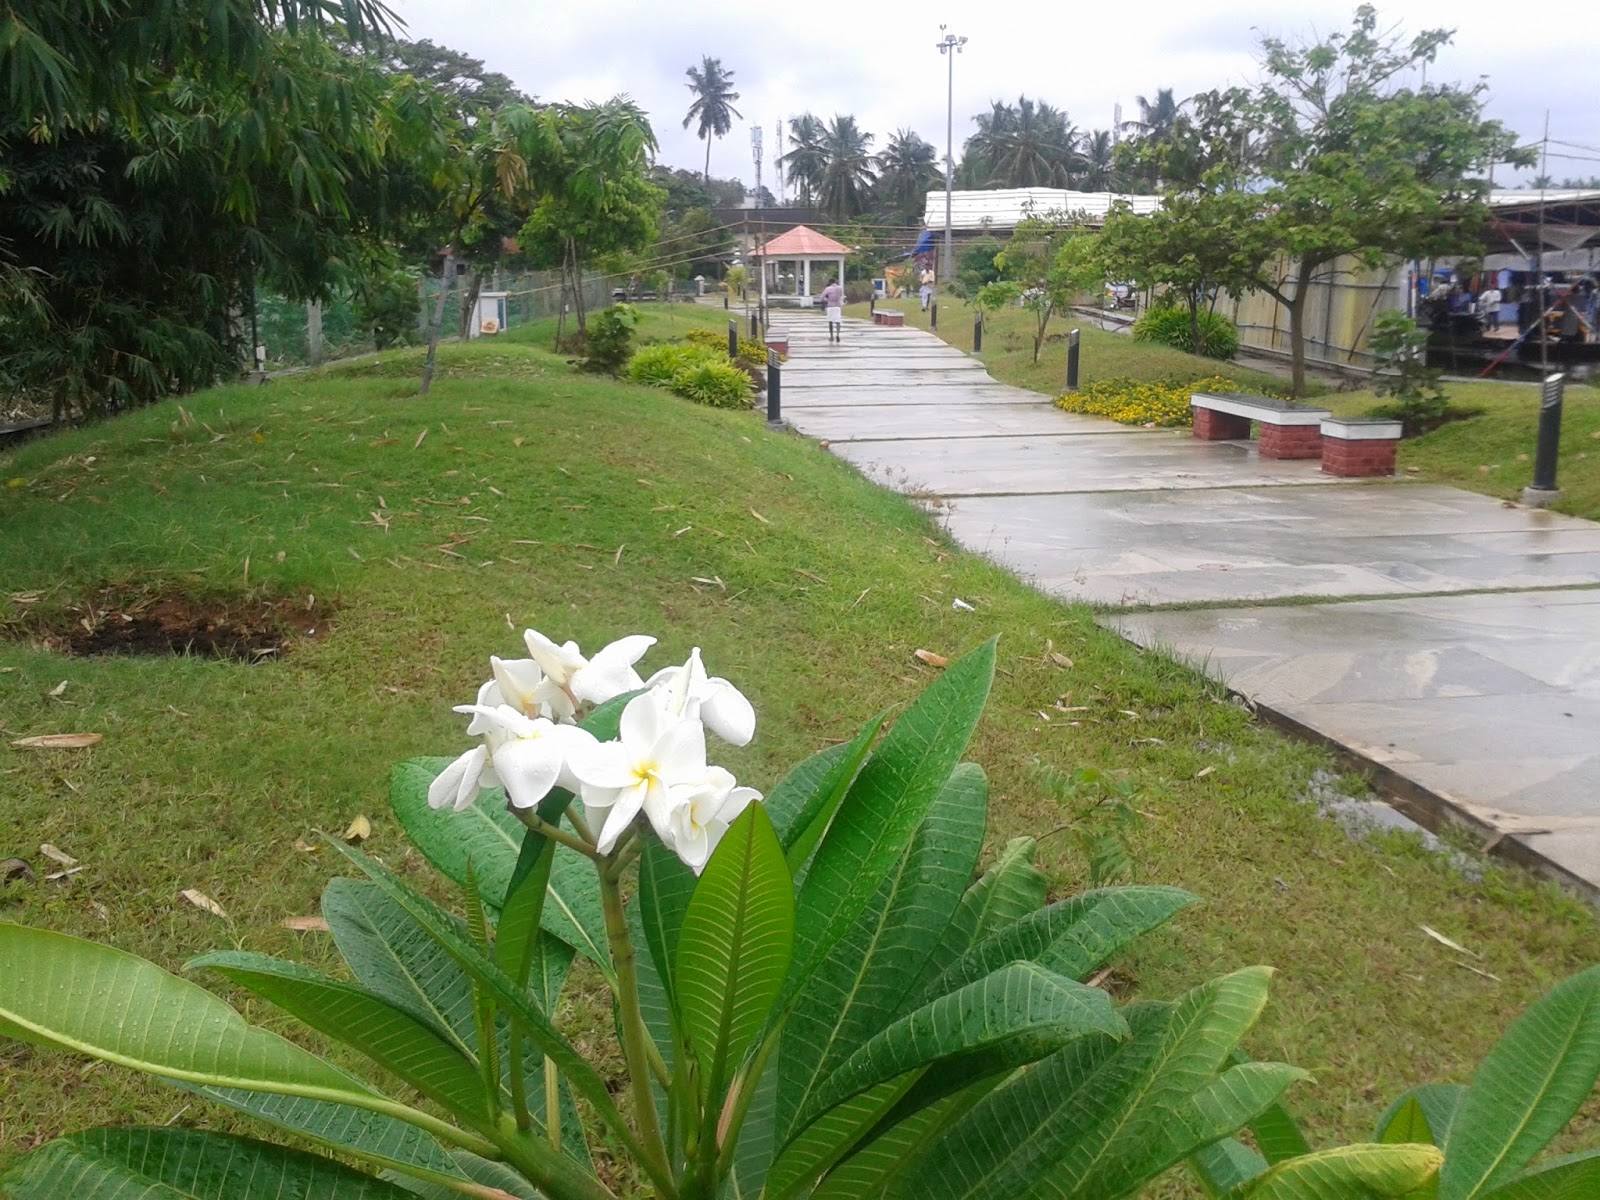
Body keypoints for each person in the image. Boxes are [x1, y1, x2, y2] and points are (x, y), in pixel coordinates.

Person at [820, 276, 845, 344]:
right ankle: (838, 334)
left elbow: (822, 297)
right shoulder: (840, 288)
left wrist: (827, 299)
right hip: (837, 306)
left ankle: (831, 336)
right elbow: (841, 296)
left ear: (830, 282)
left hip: (830, 306)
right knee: (838, 321)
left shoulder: (828, 288)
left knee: (830, 322)